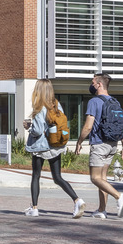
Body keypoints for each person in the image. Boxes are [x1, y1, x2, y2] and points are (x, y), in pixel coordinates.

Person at [24, 79, 84, 218]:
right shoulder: (57, 105)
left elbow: (38, 131)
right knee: (57, 177)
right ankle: (77, 200)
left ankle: (34, 208)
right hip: (56, 145)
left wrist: (29, 127)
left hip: (40, 147)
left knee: (36, 176)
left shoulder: (40, 107)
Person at [75, 73, 123, 218]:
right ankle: (101, 210)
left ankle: (119, 197)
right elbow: (122, 126)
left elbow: (88, 126)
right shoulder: (115, 102)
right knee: (103, 178)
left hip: (99, 144)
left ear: (99, 84)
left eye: (93, 82)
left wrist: (79, 142)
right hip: (112, 144)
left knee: (95, 178)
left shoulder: (94, 101)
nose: (91, 84)